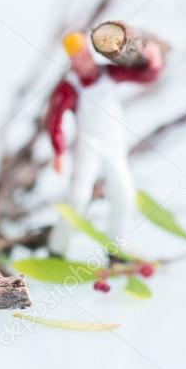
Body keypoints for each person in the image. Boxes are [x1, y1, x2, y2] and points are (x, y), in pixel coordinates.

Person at [46, 32, 163, 256]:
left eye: (85, 56)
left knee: (125, 195)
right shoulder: (69, 87)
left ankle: (116, 249)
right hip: (88, 147)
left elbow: (143, 76)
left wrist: (154, 59)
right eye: (78, 59)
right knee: (78, 197)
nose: (84, 62)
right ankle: (57, 249)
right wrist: (58, 151)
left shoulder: (108, 73)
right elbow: (54, 119)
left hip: (115, 145)